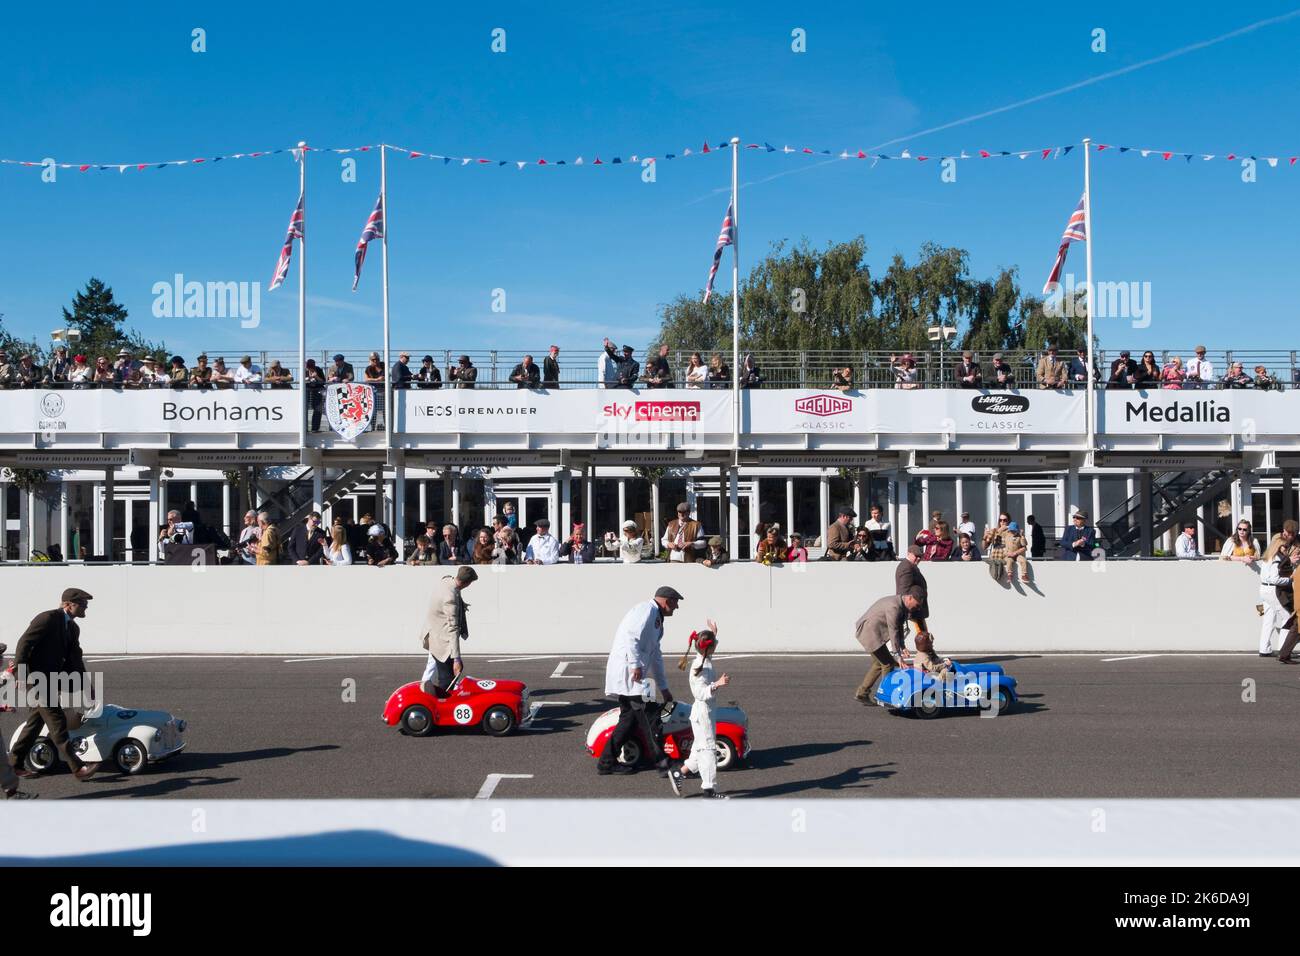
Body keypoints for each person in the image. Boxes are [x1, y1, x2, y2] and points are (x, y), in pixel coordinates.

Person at [8, 588, 101, 782]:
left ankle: (13, 765)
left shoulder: (73, 628)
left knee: (35, 723)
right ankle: (78, 768)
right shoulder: (48, 618)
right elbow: (24, 643)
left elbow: (75, 659)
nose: (85, 608)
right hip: (36, 680)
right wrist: (22, 675)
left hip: (51, 681)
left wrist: (86, 685)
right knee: (57, 721)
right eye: (82, 604)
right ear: (69, 604)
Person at [597, 586, 680, 776]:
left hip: (640, 679)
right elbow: (631, 637)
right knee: (652, 719)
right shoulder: (647, 610)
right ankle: (663, 764)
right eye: (676, 603)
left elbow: (656, 656)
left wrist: (664, 687)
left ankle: (606, 762)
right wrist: (635, 665)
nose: (677, 608)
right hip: (632, 676)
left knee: (629, 721)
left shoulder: (657, 619)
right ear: (667, 601)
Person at [668, 621, 729, 799]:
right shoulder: (698, 667)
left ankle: (680, 772)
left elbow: (708, 646)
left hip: (703, 714)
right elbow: (700, 692)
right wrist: (717, 684)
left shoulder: (704, 658)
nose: (715, 647)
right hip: (703, 714)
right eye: (713, 645)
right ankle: (709, 790)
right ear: (708, 649)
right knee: (708, 749)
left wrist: (713, 633)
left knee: (699, 748)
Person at [853, 588, 923, 705]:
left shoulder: (903, 606)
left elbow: (899, 626)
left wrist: (902, 646)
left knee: (879, 663)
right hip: (869, 633)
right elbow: (893, 630)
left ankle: (862, 693)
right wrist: (897, 655)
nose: (917, 608)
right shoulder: (894, 607)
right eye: (916, 605)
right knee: (888, 664)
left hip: (873, 632)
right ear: (910, 598)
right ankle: (885, 695)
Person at [419, 566, 477, 696]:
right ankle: (444, 703)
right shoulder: (450, 600)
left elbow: (453, 592)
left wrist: (462, 605)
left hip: (432, 632)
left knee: (431, 666)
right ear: (466, 583)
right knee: (447, 678)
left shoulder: (446, 580)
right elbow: (453, 629)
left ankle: (422, 693)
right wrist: (457, 658)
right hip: (441, 639)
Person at [1260, 541, 1295, 657]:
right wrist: (1289, 580)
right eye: (1284, 546)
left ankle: (1264, 649)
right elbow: (1275, 579)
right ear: (1278, 546)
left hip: (1264, 589)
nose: (1286, 548)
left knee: (1268, 620)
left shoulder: (1268, 557)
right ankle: (1283, 650)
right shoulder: (1276, 559)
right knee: (1287, 617)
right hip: (1272, 590)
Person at [895, 545, 930, 637]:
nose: (918, 558)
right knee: (922, 636)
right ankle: (924, 649)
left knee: (921, 634)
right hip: (913, 609)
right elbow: (903, 590)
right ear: (909, 554)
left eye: (920, 557)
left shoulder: (910, 565)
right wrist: (907, 610)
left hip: (914, 609)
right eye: (916, 556)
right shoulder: (906, 567)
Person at [303, 359, 326, 431]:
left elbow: (323, 381)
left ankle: (315, 428)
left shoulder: (318, 369)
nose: (310, 368)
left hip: (317, 390)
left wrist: (317, 377)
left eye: (311, 366)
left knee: (317, 409)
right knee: (304, 409)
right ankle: (304, 428)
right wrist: (308, 378)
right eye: (309, 367)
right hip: (307, 390)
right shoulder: (305, 371)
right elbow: (302, 381)